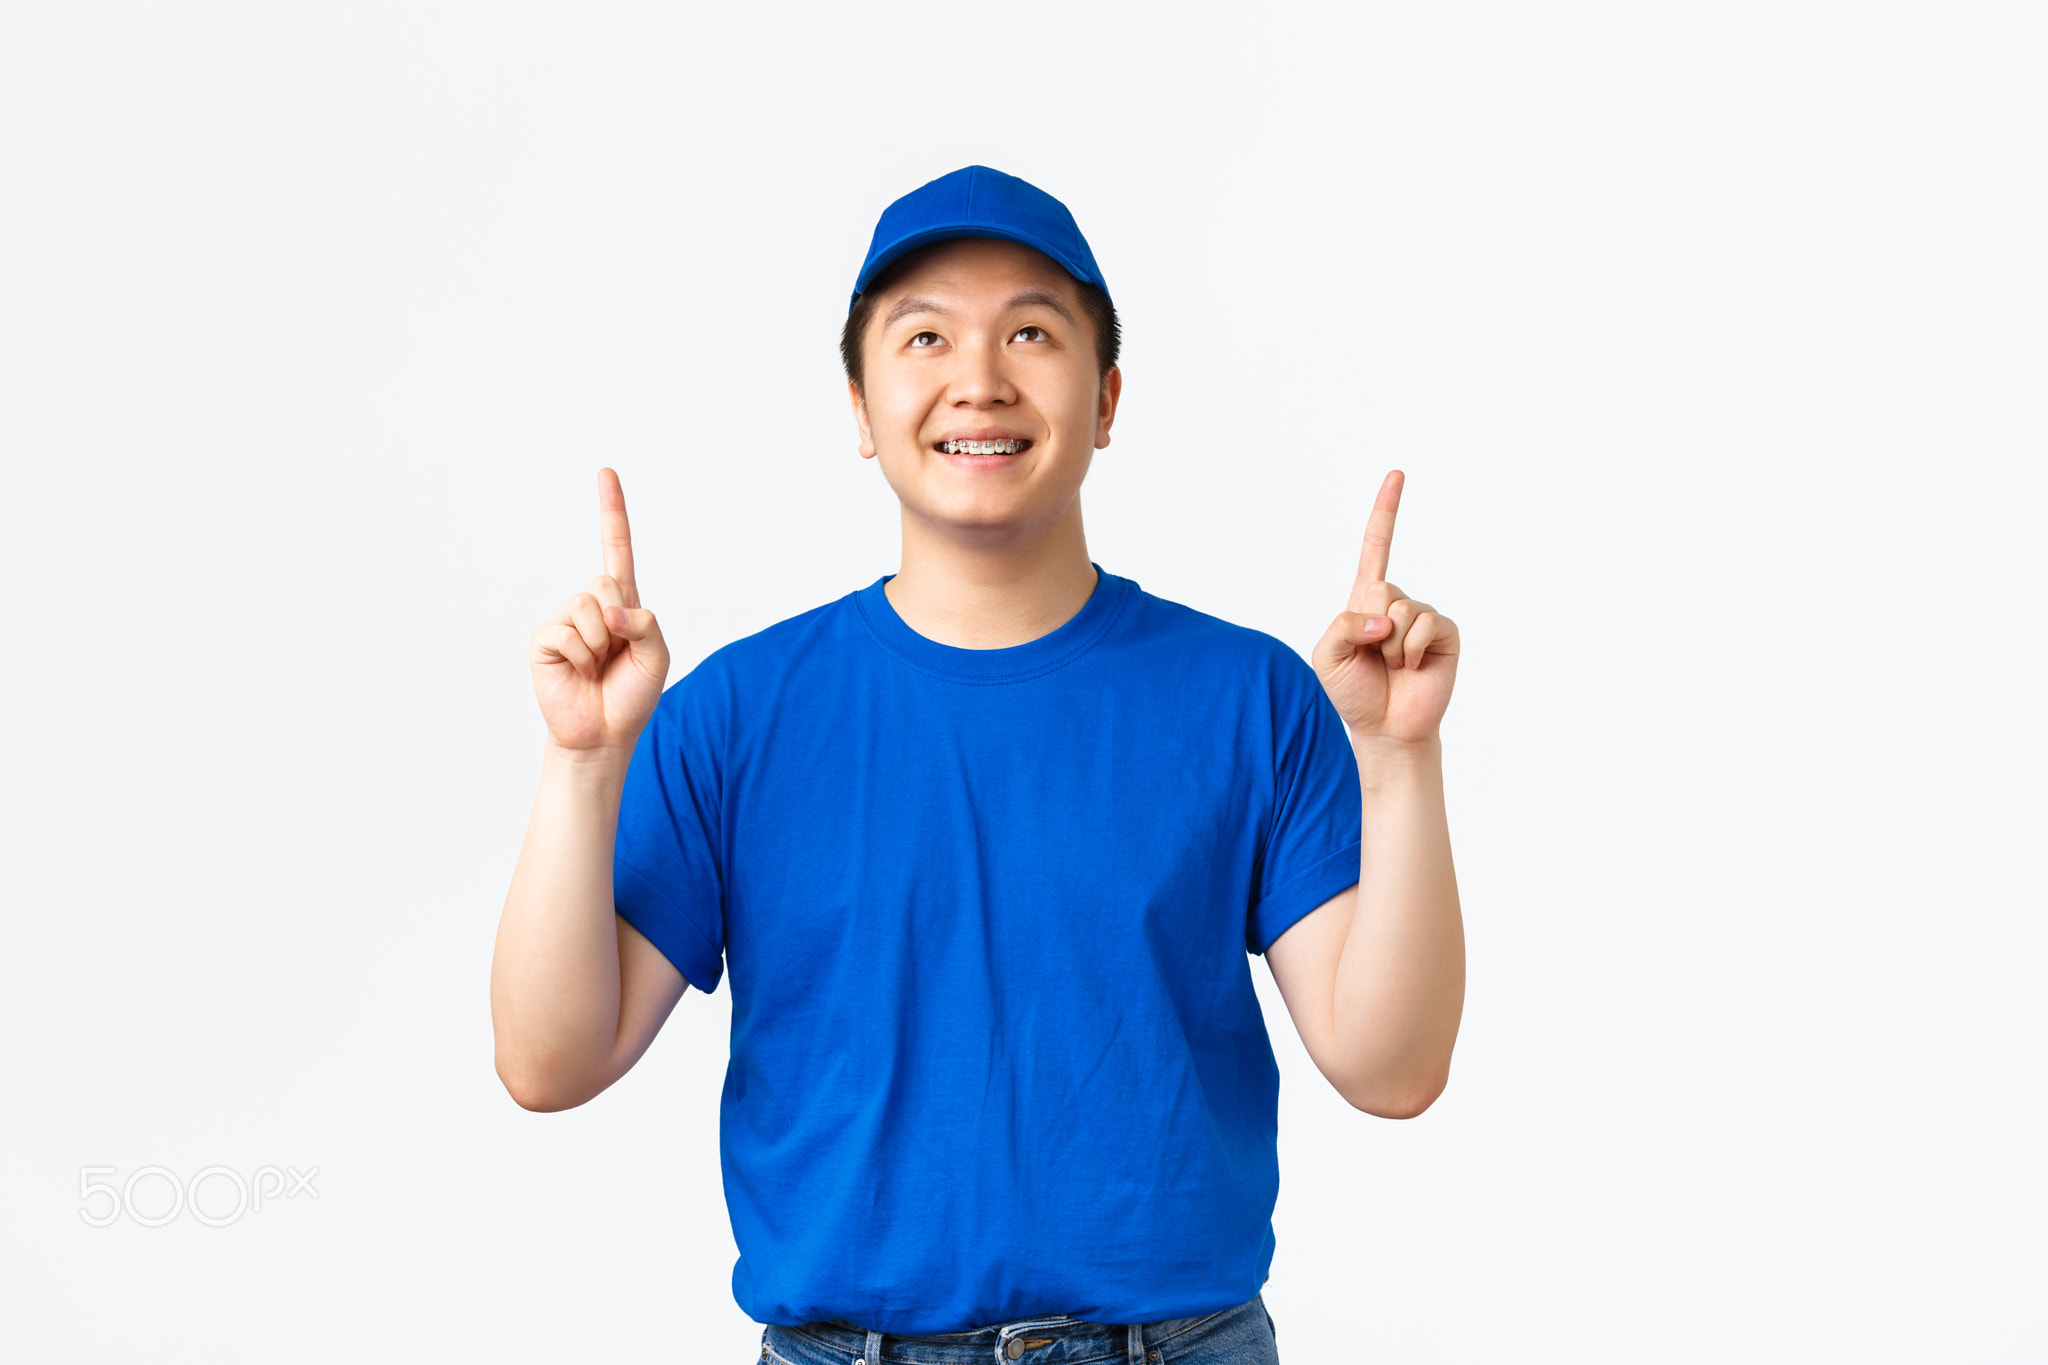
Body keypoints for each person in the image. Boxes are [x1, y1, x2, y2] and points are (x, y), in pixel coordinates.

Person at [490, 165, 1465, 1364]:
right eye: (924, 336)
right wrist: (582, 762)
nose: (979, 378)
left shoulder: (1248, 697)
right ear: (856, 407)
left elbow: (1391, 1067)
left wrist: (1398, 757)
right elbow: (547, 1062)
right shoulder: (734, 715)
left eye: (1031, 332)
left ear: (1106, 400)